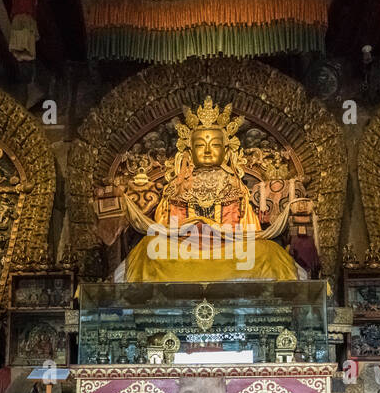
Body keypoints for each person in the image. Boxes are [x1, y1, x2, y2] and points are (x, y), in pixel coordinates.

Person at [120, 96, 303, 282]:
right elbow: (163, 230)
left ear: (226, 151)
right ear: (189, 152)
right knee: (149, 247)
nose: (207, 150)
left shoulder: (236, 188)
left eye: (215, 145)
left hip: (229, 252)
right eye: (200, 145)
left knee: (267, 250)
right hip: (183, 252)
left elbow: (251, 233)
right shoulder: (176, 188)